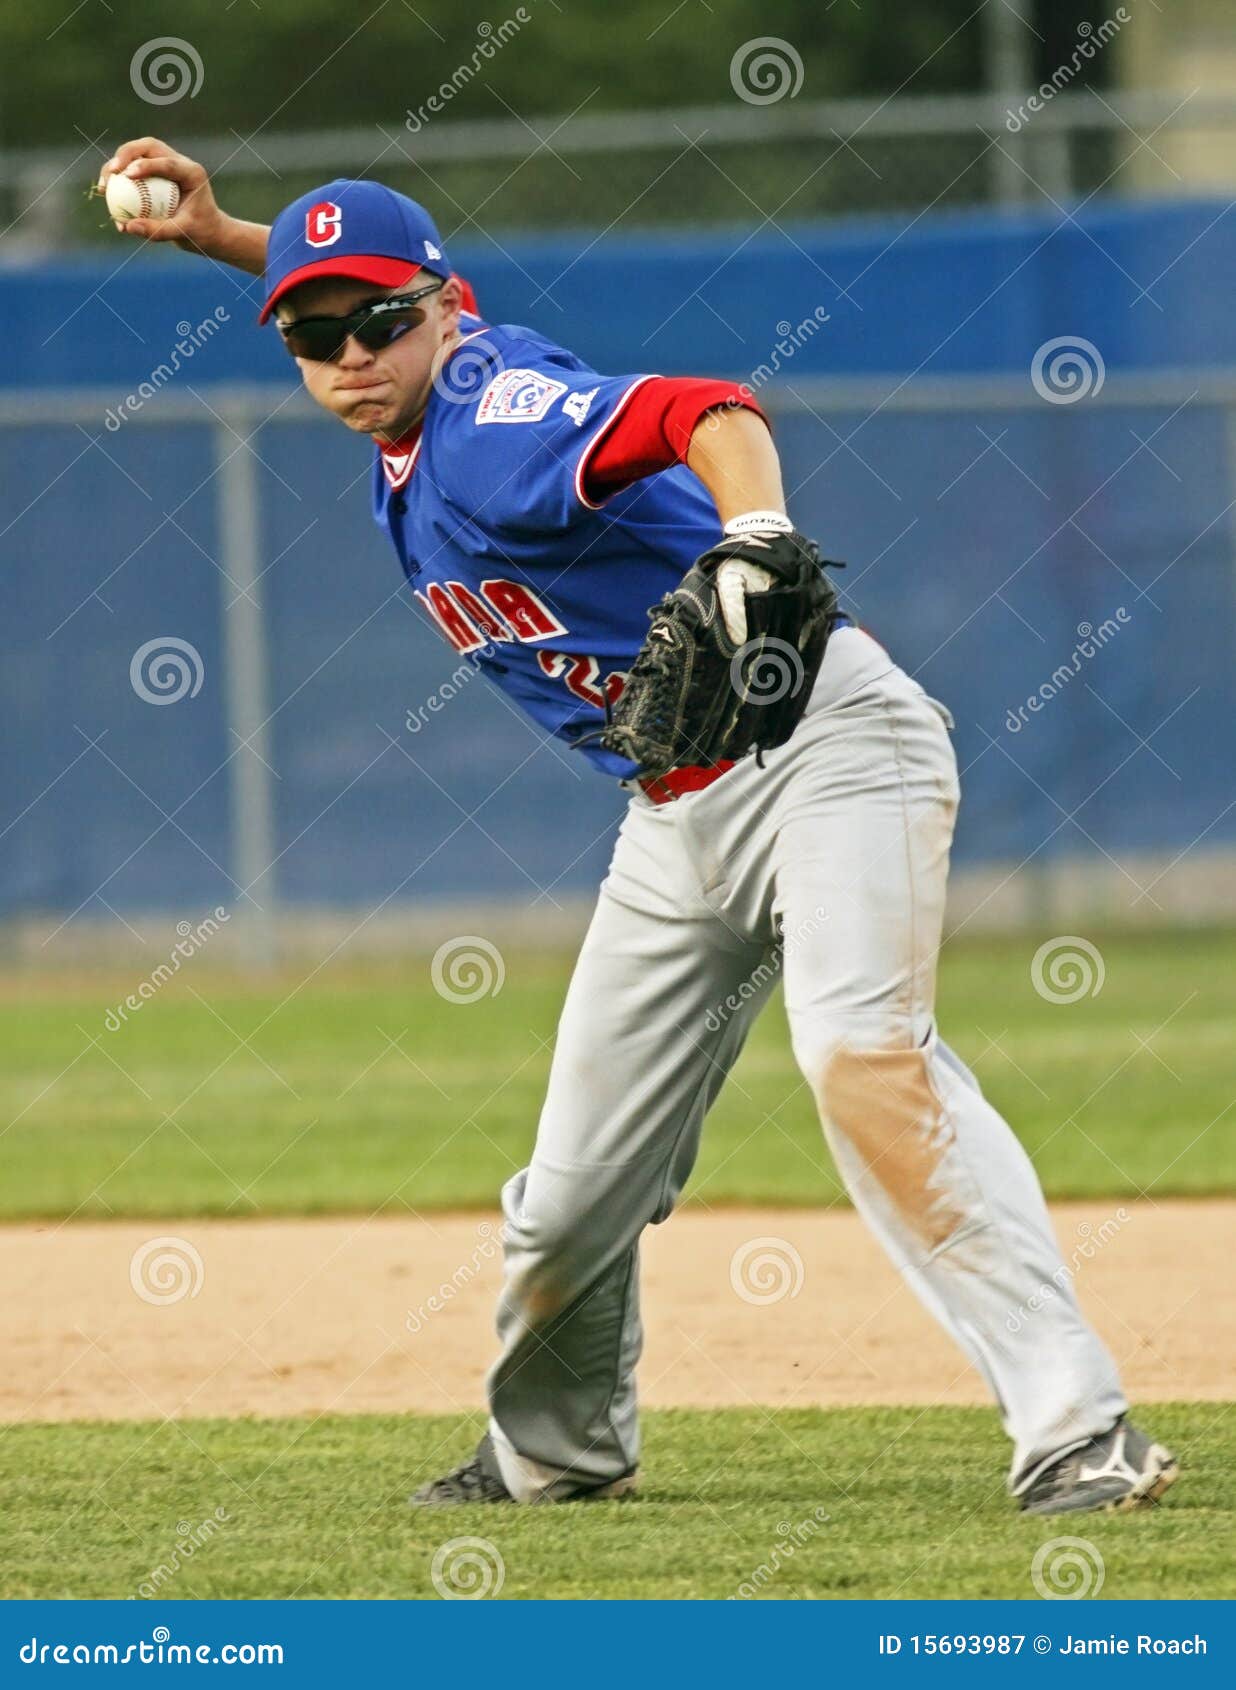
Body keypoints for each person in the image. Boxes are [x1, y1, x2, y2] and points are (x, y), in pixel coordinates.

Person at [99, 139, 1179, 1516]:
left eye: (380, 319)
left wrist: (759, 533)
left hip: (825, 750)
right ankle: (556, 1450)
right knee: (565, 1200)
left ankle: (1079, 1430)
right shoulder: (418, 384)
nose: (349, 351)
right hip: (673, 819)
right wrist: (227, 238)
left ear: (449, 305)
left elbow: (705, 408)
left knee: (863, 1058)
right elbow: (353, 285)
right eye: (316, 332)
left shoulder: (490, 419)